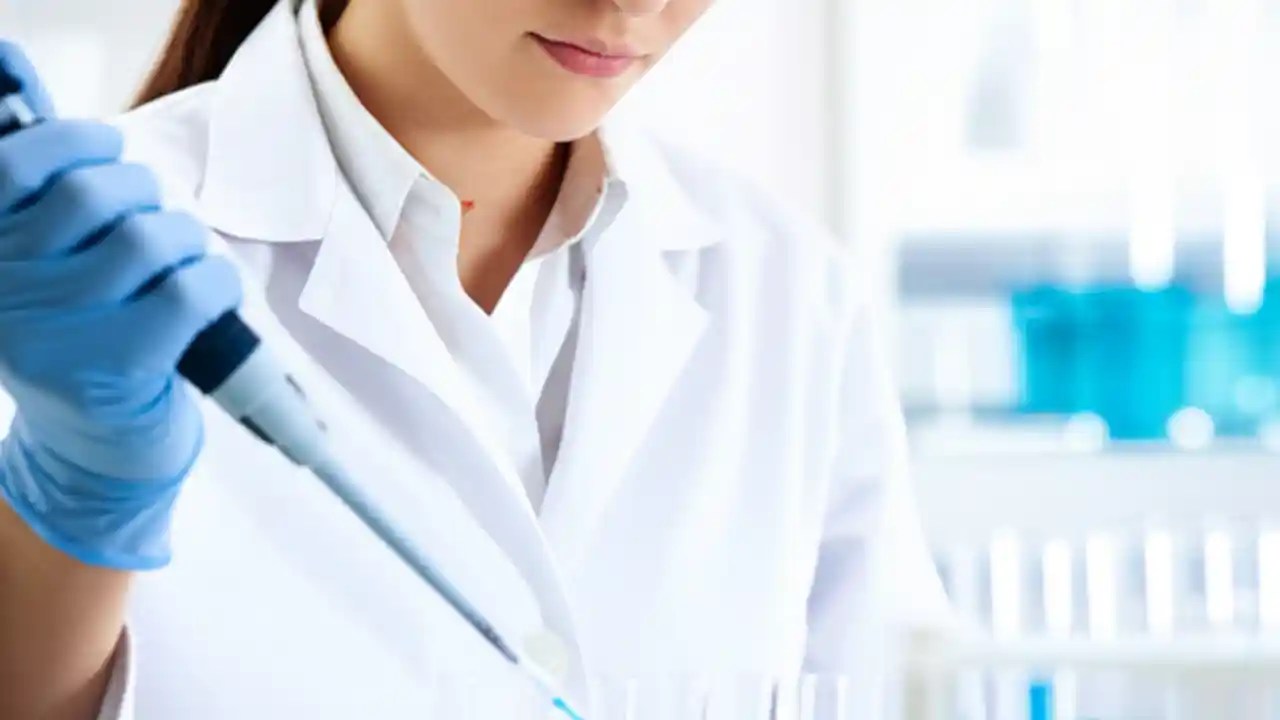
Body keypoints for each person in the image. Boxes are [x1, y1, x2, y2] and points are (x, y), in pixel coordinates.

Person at [0, 0, 910, 717]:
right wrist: (76, 495)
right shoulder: (68, 268)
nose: (638, 3)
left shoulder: (791, 292)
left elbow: (889, 688)